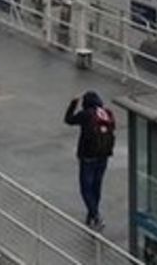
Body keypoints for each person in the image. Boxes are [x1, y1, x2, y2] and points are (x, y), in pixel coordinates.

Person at [64, 90, 115, 230]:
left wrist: (73, 103)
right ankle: (91, 214)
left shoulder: (85, 114)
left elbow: (68, 119)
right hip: (103, 156)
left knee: (86, 188)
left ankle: (96, 215)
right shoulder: (108, 113)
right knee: (96, 187)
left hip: (87, 157)